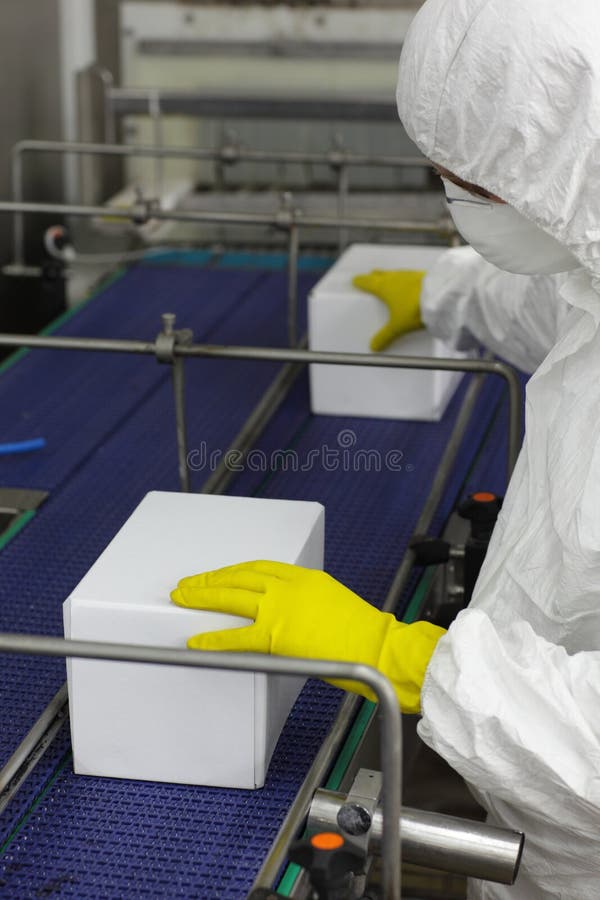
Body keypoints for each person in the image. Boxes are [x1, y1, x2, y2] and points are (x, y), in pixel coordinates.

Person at [172, 2, 600, 895]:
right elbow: (567, 300)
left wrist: (406, 659)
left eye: (478, 184)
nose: (456, 201)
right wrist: (441, 288)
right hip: (530, 832)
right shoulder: (588, 247)